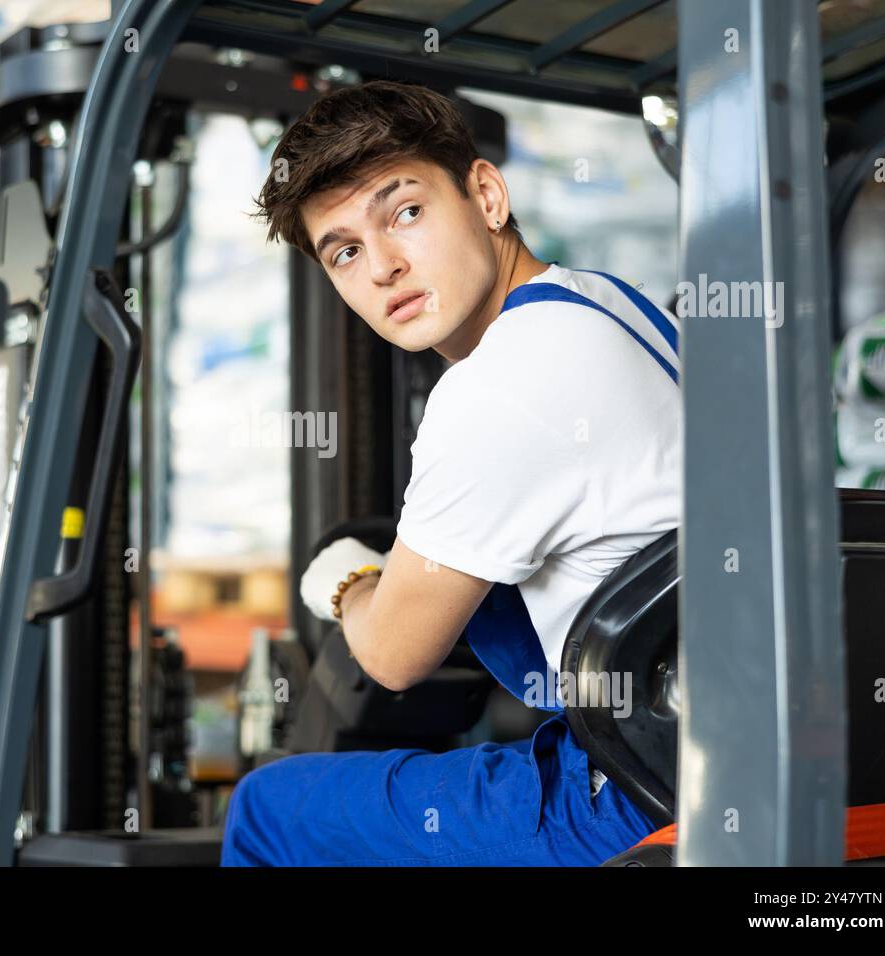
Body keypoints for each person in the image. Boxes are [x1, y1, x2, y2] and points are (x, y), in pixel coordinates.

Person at [220, 80, 680, 866]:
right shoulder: (608, 304)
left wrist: (345, 583)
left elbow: (393, 657)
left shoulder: (496, 383)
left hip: (627, 797)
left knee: (269, 808)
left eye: (406, 212)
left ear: (487, 194)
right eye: (346, 251)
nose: (386, 267)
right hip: (702, 754)